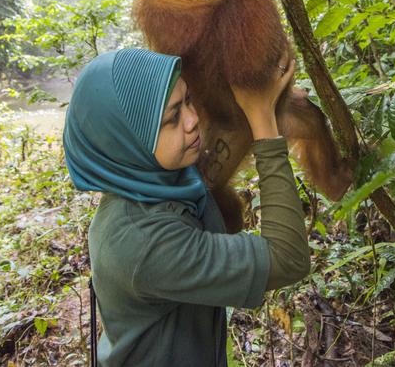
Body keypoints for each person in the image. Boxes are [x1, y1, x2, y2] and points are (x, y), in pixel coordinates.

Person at [62, 47, 310, 366]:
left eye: (188, 100)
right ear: (126, 142)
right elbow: (287, 259)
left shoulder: (158, 177)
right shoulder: (144, 243)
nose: (193, 121)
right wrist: (263, 121)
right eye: (172, 117)